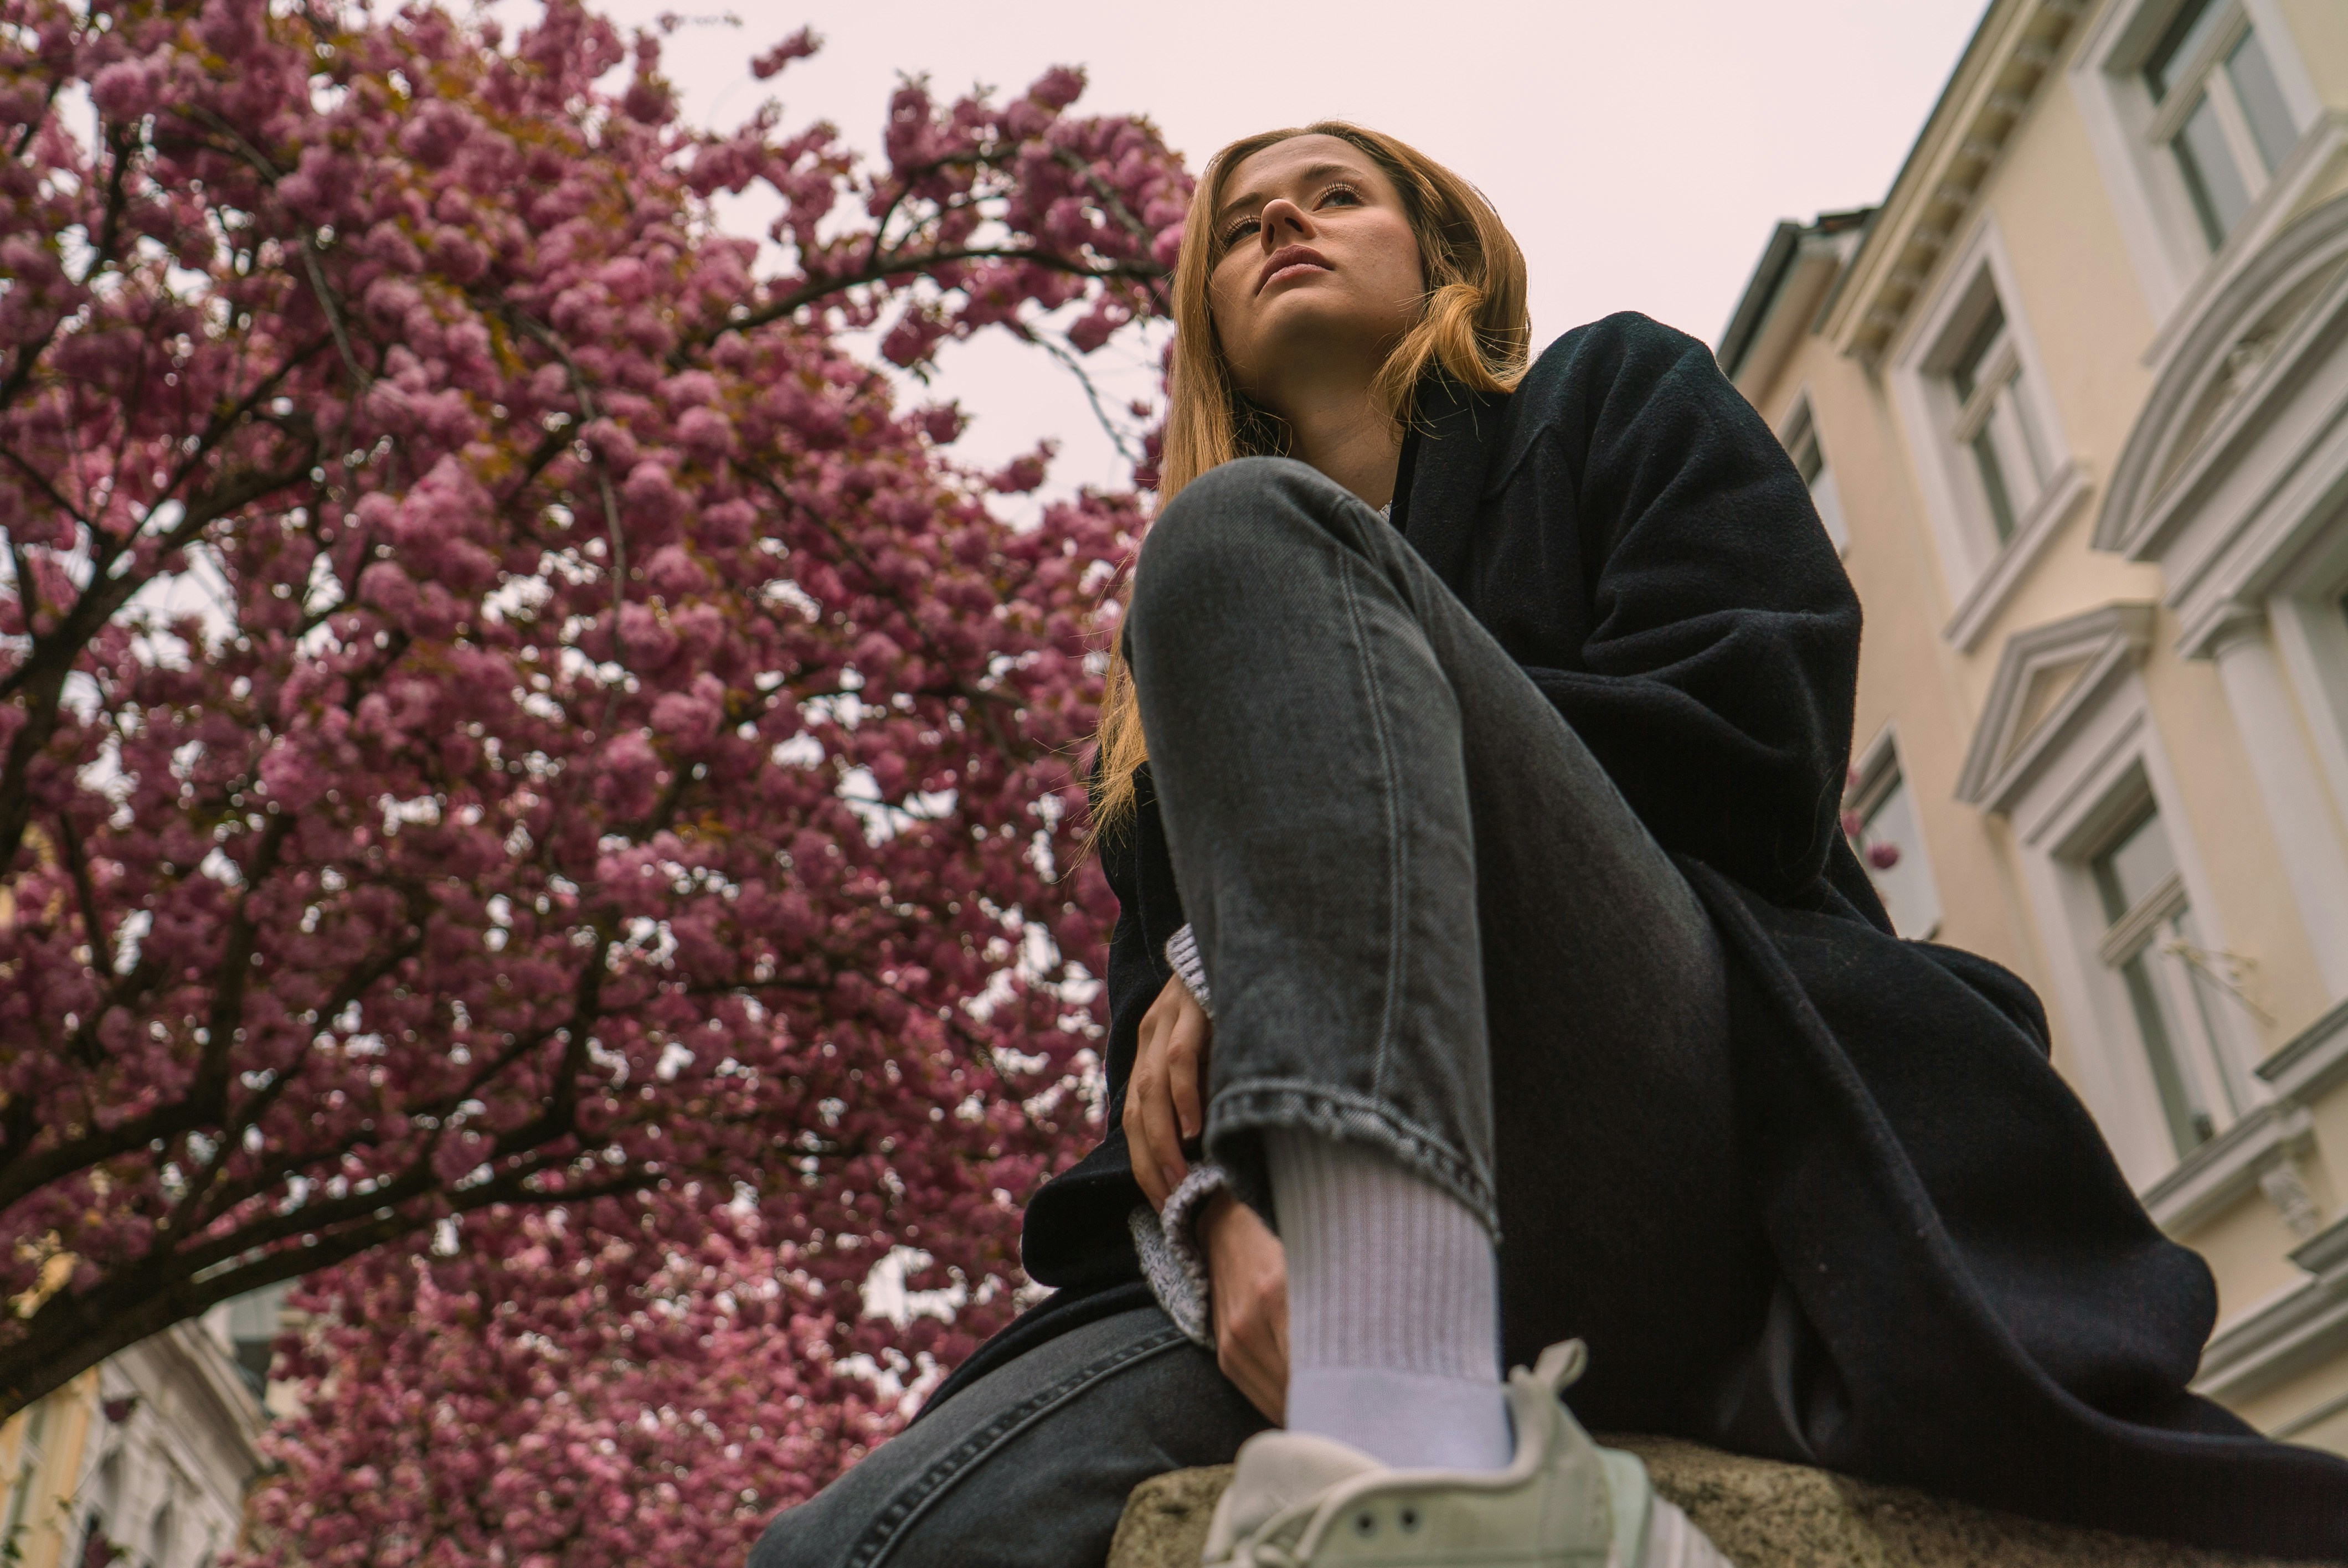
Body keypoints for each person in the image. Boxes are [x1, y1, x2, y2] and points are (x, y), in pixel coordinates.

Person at [750, 122, 2348, 1568]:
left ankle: (1415, 1457)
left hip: (1677, 1133)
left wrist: (1224, 941)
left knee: (1235, 541)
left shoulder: (1615, 398)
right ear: (1211, 320)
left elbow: (1756, 737)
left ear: (1442, 253)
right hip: (1292, 1252)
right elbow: (1150, 1096)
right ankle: (1416, 1394)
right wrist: (1219, 1227)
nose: (1283, 226)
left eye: (1336, 194)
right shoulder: (1167, 723)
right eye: (1241, 225)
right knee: (849, 1545)